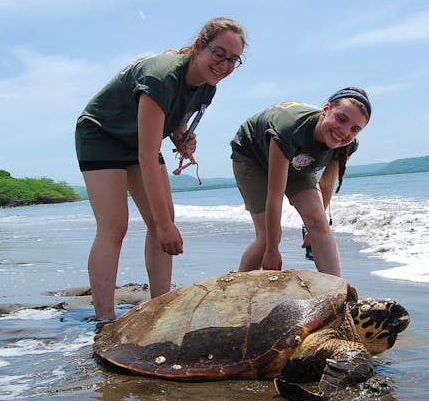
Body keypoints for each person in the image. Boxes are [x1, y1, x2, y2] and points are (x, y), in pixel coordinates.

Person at [76, 17, 247, 321]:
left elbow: (174, 116)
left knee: (162, 221)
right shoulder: (161, 76)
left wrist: (182, 135)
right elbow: (147, 156)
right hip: (101, 134)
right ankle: (104, 319)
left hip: (138, 140)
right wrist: (165, 225)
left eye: (233, 59)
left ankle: (161, 309)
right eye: (218, 53)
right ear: (199, 47)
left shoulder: (208, 86)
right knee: (115, 227)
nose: (223, 65)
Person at [230, 87, 371, 276]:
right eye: (341, 119)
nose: (344, 131)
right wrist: (272, 250)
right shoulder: (290, 128)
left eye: (355, 129)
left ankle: (337, 292)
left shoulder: (346, 145)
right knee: (267, 239)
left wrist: (311, 229)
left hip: (298, 159)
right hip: (252, 156)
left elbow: (326, 186)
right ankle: (237, 289)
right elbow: (275, 196)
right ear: (326, 109)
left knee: (319, 223)